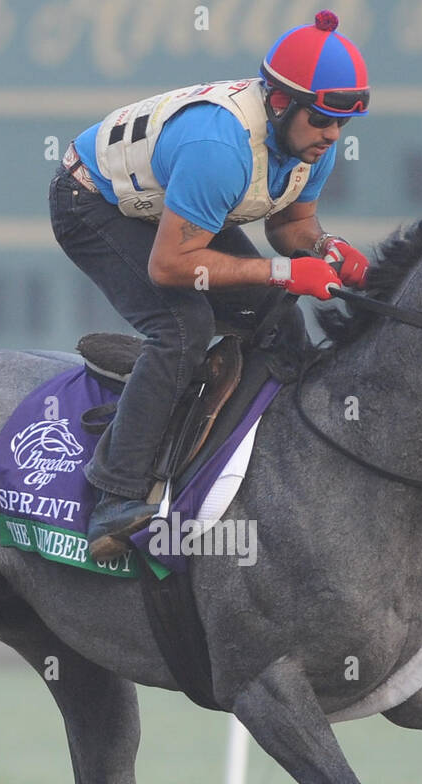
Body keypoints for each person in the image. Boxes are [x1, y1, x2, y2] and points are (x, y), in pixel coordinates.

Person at [49, 9, 373, 559]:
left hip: (170, 209)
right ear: (279, 104)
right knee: (182, 328)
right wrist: (285, 271)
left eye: (340, 124)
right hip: (92, 203)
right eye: (321, 120)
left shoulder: (312, 142)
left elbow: (290, 224)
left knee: (278, 315)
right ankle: (114, 495)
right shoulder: (219, 149)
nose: (331, 135)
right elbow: (171, 267)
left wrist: (326, 249)